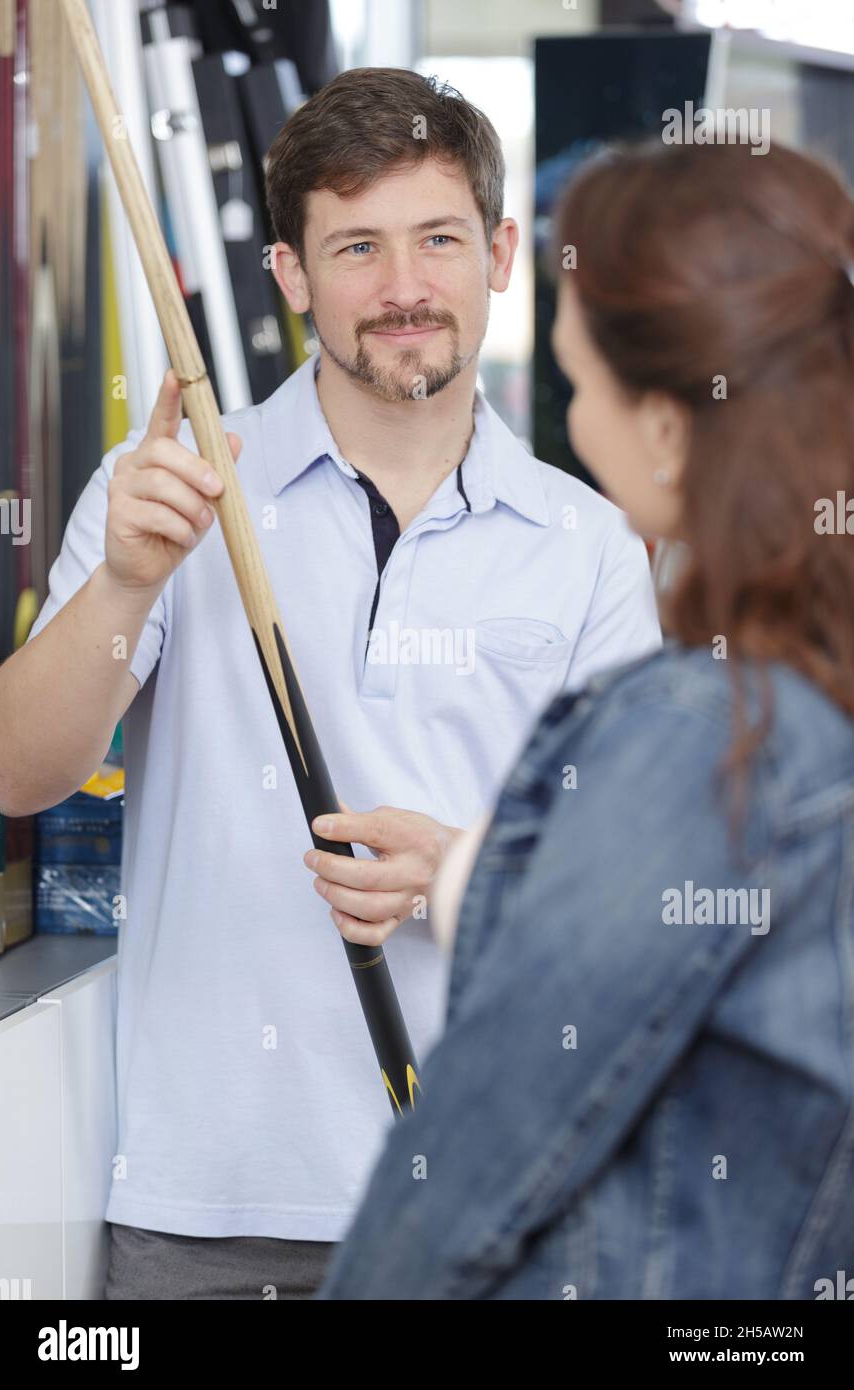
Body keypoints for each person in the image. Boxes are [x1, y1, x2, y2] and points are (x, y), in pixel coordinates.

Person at [0, 69, 658, 1300]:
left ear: (499, 253)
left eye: (437, 239)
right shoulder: (175, 487)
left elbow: (627, 899)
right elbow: (17, 772)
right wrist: (129, 583)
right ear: (291, 276)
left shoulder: (590, 549)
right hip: (207, 1210)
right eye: (355, 245)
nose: (403, 288)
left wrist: (465, 874)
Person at [318, 137, 854, 1301]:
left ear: (665, 426)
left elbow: (481, 1152)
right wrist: (475, 877)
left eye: (576, 378)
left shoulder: (699, 728)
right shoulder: (809, 700)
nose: (562, 411)